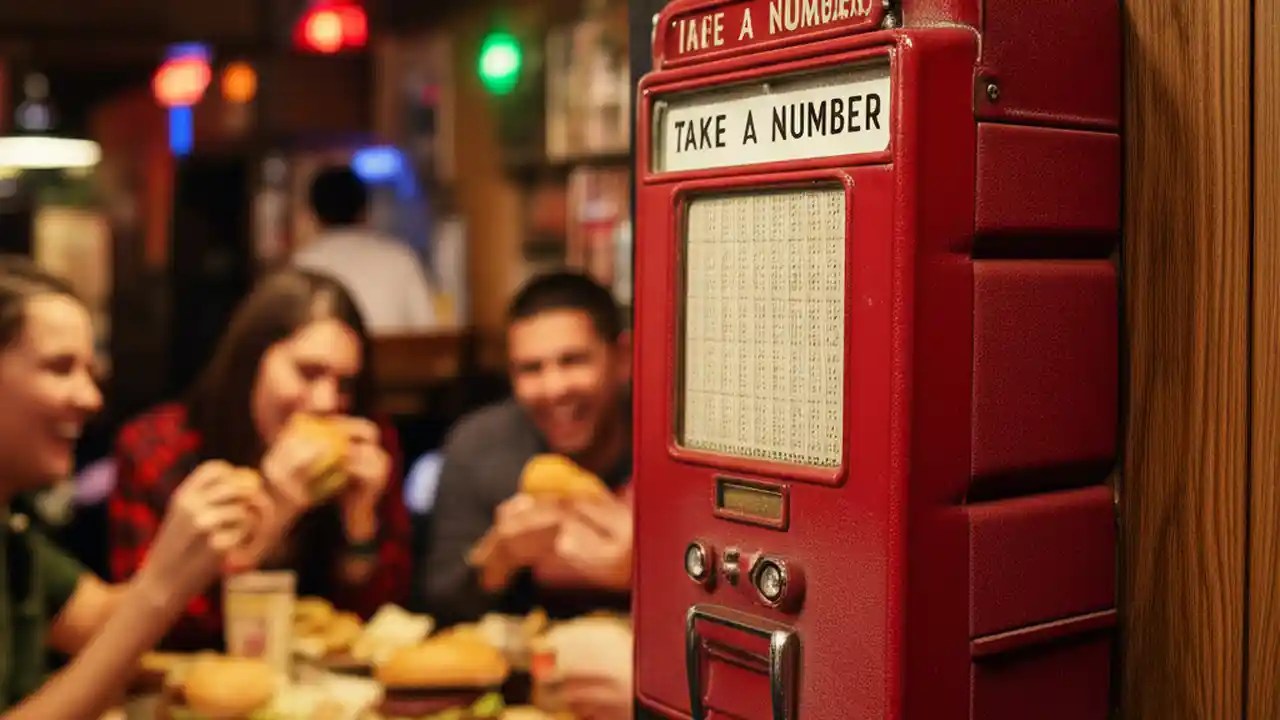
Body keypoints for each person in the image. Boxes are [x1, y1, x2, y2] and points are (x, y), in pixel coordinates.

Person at [0, 256, 312, 718]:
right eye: (61, 368)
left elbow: (98, 622)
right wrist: (161, 583)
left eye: (91, 372)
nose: (91, 398)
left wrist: (215, 550)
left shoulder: (13, 528)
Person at [108, 269, 412, 651]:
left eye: (344, 383)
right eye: (307, 372)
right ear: (251, 362)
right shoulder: (155, 449)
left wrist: (360, 527)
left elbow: (379, 630)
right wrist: (272, 513)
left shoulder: (370, 441)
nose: (326, 402)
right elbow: (163, 635)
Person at [420, 271, 634, 627]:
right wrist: (498, 558)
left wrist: (639, 568)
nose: (553, 388)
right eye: (531, 369)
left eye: (573, 361)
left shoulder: (667, 445)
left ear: (622, 358)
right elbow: (438, 604)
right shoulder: (478, 447)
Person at [292, 165, 437, 335]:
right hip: (395, 361)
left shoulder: (301, 264)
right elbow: (430, 335)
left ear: (313, 213)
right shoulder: (400, 259)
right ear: (364, 210)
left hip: (326, 361)